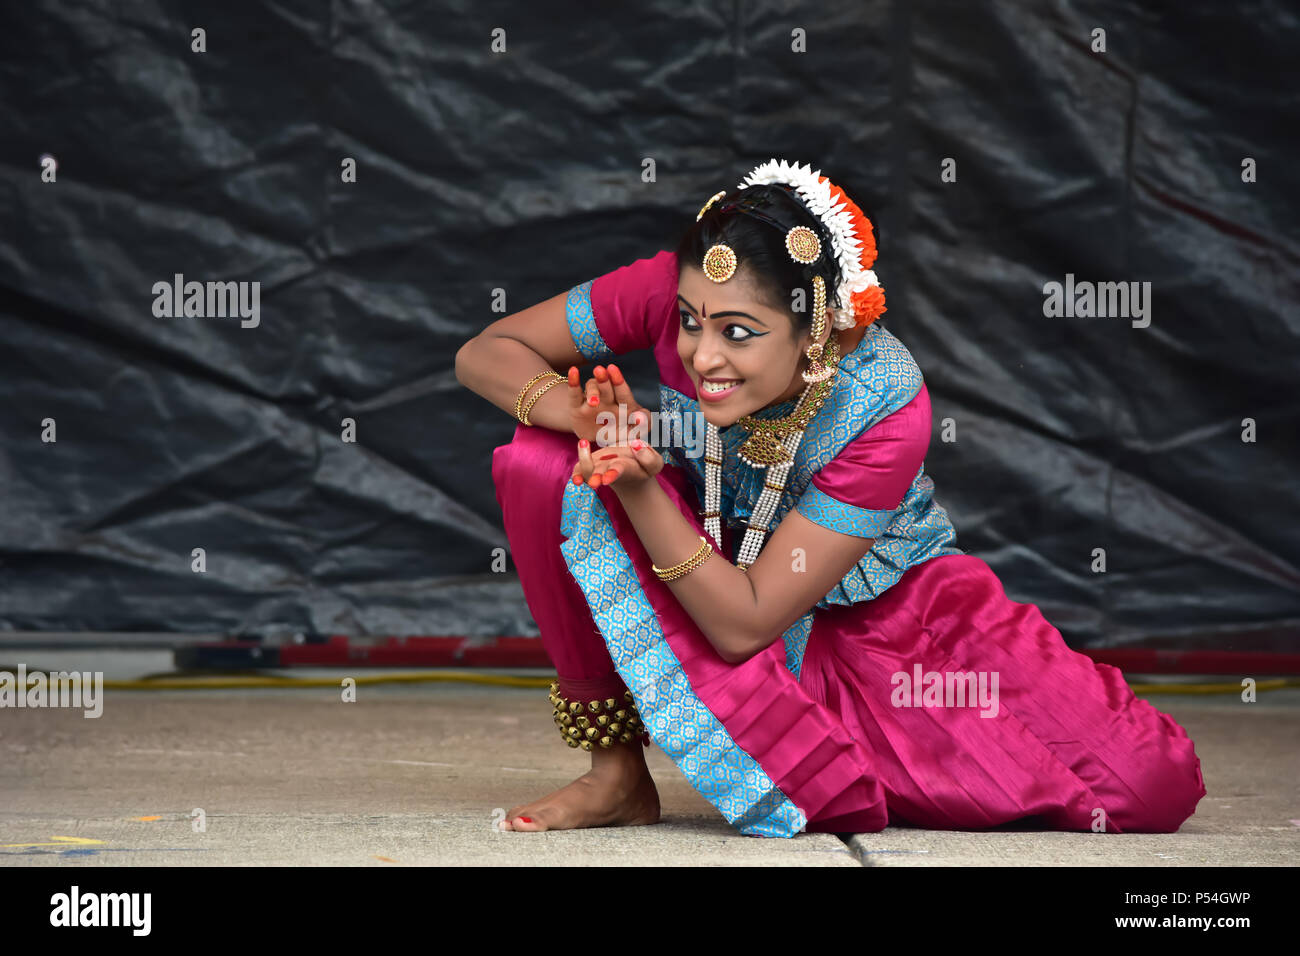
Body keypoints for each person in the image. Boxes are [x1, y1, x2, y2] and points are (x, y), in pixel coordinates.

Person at [455, 158, 1206, 837]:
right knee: (545, 459)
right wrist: (584, 419)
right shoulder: (674, 289)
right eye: (689, 323)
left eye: (739, 332)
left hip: (879, 612)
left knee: (1147, 783)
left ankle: (786, 746)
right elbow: (485, 352)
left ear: (816, 330)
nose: (702, 354)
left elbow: (743, 626)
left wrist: (644, 486)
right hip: (706, 558)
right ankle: (618, 777)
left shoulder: (882, 400)